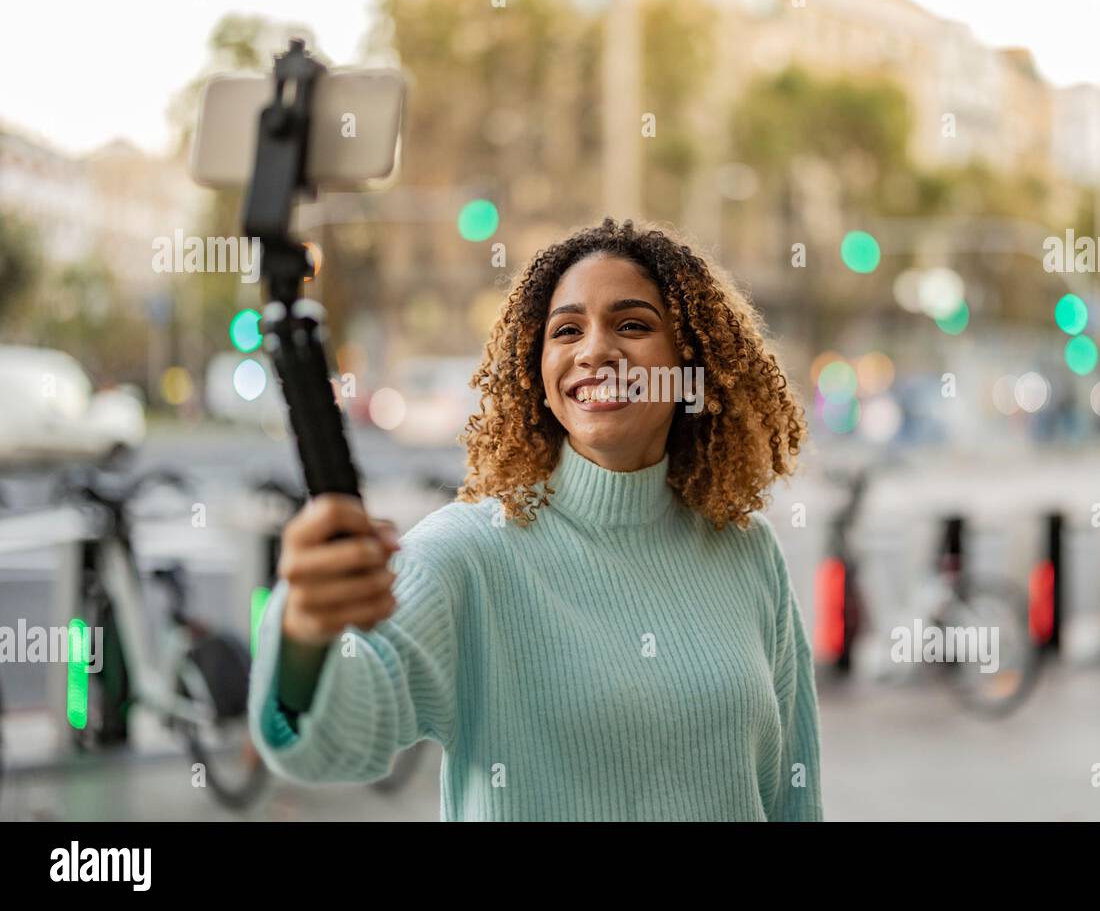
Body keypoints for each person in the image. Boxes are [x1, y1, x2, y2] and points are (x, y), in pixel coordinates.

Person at [248, 217, 824, 821]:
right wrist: (305, 635)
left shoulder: (747, 551)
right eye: (567, 330)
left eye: (633, 325)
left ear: (688, 364)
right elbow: (331, 745)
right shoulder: (466, 554)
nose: (595, 350)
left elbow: (792, 793)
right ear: (538, 371)